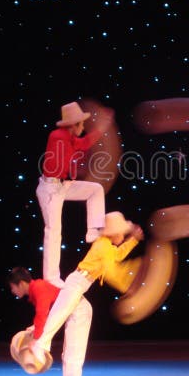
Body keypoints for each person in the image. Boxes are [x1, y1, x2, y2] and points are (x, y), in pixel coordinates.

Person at [31, 211, 144, 364]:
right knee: (60, 313)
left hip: (80, 284)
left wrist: (133, 240)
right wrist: (128, 287)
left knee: (73, 311)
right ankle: (40, 345)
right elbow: (111, 271)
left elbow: (116, 256)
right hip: (77, 282)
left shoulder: (106, 245)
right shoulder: (103, 245)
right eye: (122, 233)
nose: (123, 236)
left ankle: (54, 349)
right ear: (115, 232)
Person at [37, 101, 113, 286]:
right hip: (50, 190)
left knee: (95, 190)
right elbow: (74, 147)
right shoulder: (58, 136)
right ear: (72, 124)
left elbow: (84, 143)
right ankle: (51, 278)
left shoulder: (69, 138)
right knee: (54, 232)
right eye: (81, 124)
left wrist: (101, 127)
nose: (83, 127)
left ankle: (93, 230)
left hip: (61, 186)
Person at [7, 266, 93, 376]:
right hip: (73, 312)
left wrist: (36, 340)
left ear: (21, 283)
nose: (13, 291)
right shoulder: (35, 291)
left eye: (13, 287)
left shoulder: (39, 287)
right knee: (67, 355)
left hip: (79, 311)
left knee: (73, 355)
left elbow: (42, 313)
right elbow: (48, 314)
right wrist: (35, 329)